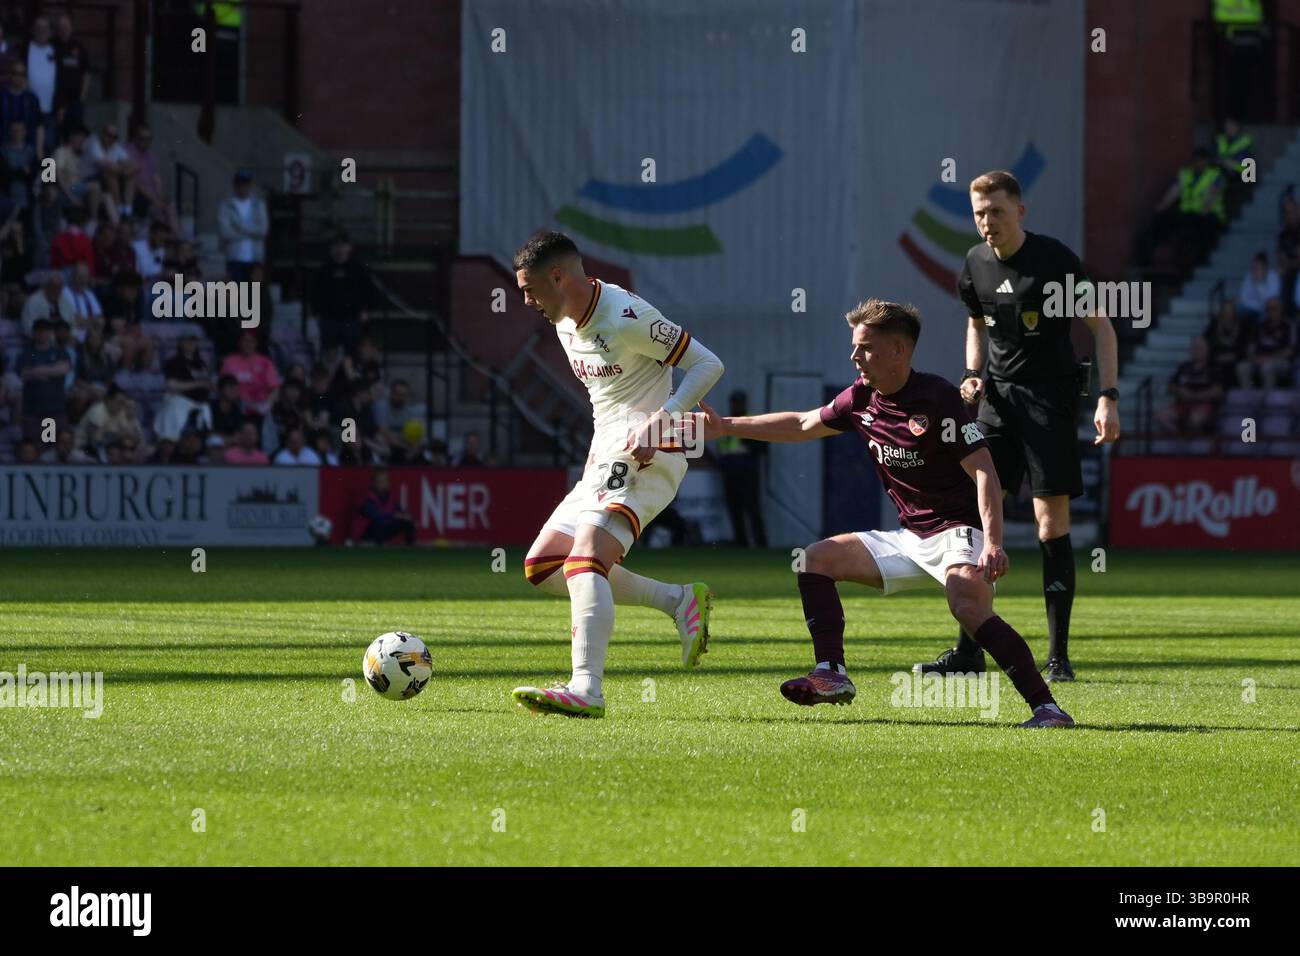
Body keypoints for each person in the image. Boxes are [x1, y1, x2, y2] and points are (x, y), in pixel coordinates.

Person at [700, 298, 1074, 728]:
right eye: (856, 347)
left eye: (866, 348)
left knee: (968, 606)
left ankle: (1047, 708)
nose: (854, 356)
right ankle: (831, 673)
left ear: (899, 351)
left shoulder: (937, 399)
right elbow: (804, 424)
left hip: (956, 532)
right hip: (910, 538)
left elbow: (985, 472)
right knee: (814, 559)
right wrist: (727, 426)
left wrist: (992, 542)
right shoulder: (861, 398)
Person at [509, 231, 724, 719]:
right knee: (543, 567)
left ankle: (586, 688)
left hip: (650, 450)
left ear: (559, 277)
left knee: (584, 562)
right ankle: (678, 601)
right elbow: (604, 400)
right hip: (607, 450)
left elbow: (707, 364)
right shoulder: (564, 321)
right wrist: (595, 456)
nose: (525, 300)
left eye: (529, 288)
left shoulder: (626, 317)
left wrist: (662, 419)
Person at [922, 169, 1121, 684]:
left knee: (1049, 526)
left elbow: (1102, 327)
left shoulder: (1055, 261)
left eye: (997, 212)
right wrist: (971, 375)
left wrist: (1107, 397)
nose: (987, 223)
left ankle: (1058, 655)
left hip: (1049, 404)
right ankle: (968, 650)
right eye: (979, 214)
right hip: (997, 404)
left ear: (1021, 211)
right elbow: (975, 322)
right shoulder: (974, 263)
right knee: (975, 518)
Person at [715, 389, 767, 547]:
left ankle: (760, 544)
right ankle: (741, 543)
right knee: (734, 509)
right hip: (729, 470)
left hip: (746, 469)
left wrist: (748, 448)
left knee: (752, 508)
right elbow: (722, 447)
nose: (736, 405)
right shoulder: (725, 422)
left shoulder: (750, 420)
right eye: (734, 402)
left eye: (739, 402)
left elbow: (763, 446)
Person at [314, 231, 371, 357]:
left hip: (352, 318)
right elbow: (317, 292)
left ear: (349, 247)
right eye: (337, 245)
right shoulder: (325, 268)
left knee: (352, 354)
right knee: (329, 355)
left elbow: (367, 290)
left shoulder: (358, 268)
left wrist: (365, 309)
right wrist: (317, 312)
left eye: (343, 245)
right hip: (329, 319)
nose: (340, 249)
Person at [17, 318, 70, 444]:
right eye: (39, 331)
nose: (42, 334)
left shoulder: (59, 352)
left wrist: (36, 370)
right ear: (34, 333)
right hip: (33, 410)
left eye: (45, 331)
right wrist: (51, 370)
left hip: (54, 409)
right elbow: (24, 374)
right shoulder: (27, 353)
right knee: (33, 447)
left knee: (50, 444)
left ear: (50, 333)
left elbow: (63, 369)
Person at [1156, 337, 1224, 434]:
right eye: (1195, 348)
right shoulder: (1184, 367)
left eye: (1200, 348)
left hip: (1204, 406)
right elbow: (1170, 386)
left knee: (1195, 419)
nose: (1197, 351)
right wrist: (1179, 390)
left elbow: (1218, 391)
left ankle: (1195, 443)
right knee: (1160, 417)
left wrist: (1195, 396)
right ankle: (1179, 439)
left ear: (1207, 349)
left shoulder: (1214, 368)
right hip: (1182, 405)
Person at [156, 336, 214, 440]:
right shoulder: (174, 362)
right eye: (187, 341)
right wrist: (198, 384)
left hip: (200, 405)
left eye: (193, 341)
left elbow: (208, 383)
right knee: (175, 437)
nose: (190, 344)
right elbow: (172, 385)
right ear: (181, 344)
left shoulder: (201, 364)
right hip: (180, 404)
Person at [217, 169, 267, 281]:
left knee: (253, 296)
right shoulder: (226, 206)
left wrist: (240, 229)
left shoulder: (258, 204)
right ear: (235, 184)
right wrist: (251, 233)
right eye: (240, 183)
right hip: (234, 260)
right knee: (236, 296)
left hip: (255, 259)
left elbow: (263, 230)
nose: (243, 186)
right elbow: (226, 233)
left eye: (246, 183)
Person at [1237, 298, 1295, 388]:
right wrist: (1253, 357)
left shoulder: (1288, 325)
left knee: (1267, 367)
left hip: (1281, 361)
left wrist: (1269, 359)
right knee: (1242, 367)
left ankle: (1269, 399)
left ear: (1281, 309)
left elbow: (1290, 350)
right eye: (1268, 309)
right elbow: (1250, 347)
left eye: (1274, 309)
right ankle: (1248, 399)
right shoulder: (1260, 325)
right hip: (1259, 359)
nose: (1271, 311)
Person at [22, 16, 56, 154]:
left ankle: (49, 176)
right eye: (38, 28)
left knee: (49, 148)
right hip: (28, 108)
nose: (42, 31)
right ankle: (31, 175)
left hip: (49, 109)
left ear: (50, 32)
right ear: (33, 30)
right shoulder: (24, 49)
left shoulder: (55, 50)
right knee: (28, 147)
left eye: (45, 29)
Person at [52, 14, 90, 138]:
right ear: (57, 29)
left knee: (74, 137)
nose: (64, 30)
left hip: (75, 102)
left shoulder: (78, 47)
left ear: (71, 28)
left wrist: (82, 97)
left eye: (66, 27)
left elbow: (86, 73)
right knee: (57, 136)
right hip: (56, 101)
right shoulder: (51, 46)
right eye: (61, 28)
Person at [359, 469, 416, 545]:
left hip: (386, 526)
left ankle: (409, 547)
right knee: (379, 523)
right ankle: (371, 543)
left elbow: (399, 510)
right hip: (369, 530)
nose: (384, 483)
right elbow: (375, 516)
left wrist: (405, 515)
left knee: (408, 522)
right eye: (380, 481)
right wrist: (394, 515)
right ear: (374, 483)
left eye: (385, 481)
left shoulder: (390, 497)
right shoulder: (368, 497)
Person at [0, 61, 43, 156]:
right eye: (15, 73)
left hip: (28, 152)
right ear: (10, 75)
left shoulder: (32, 99)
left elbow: (39, 126)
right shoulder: (2, 97)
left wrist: (40, 153)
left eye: (22, 74)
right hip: (3, 152)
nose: (18, 77)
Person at [1204, 299, 1249, 387]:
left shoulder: (1242, 326)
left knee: (1239, 367)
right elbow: (1207, 342)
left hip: (1235, 358)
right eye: (1226, 311)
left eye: (1230, 311)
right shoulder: (1214, 325)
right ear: (1222, 312)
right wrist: (1217, 356)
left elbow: (1245, 346)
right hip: (1217, 358)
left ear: (1234, 312)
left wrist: (1233, 356)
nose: (1228, 314)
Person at [1237, 252, 1280, 322]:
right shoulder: (1248, 277)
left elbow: (1270, 300)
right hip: (1251, 309)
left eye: (1258, 267)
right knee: (1241, 312)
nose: (1255, 270)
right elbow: (1243, 299)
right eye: (1254, 267)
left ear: (1265, 268)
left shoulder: (1273, 276)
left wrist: (1259, 284)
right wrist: (1258, 306)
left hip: (1268, 310)